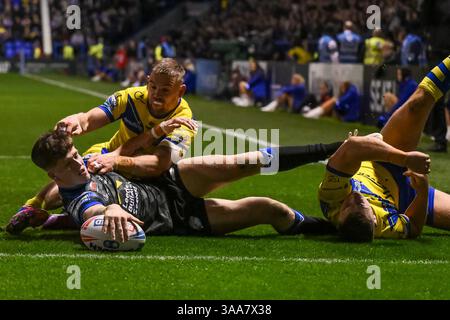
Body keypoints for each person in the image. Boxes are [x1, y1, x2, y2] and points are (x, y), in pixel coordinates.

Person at [18, 130, 343, 239]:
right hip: (177, 219)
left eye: (75, 154)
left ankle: (334, 148)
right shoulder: (81, 203)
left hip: (167, 183)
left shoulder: (83, 168)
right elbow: (90, 211)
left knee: (247, 161)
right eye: (68, 164)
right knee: (269, 209)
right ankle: (336, 228)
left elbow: (55, 194)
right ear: (55, 174)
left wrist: (38, 210)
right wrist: (111, 207)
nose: (78, 162)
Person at [7, 58, 198, 234]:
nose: (156, 94)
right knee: (69, 183)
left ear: (180, 91)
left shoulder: (183, 119)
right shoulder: (130, 97)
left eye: (165, 90)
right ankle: (34, 205)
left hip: (142, 171)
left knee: (101, 203)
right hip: (110, 154)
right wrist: (77, 121)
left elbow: (160, 164)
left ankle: (58, 219)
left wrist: (117, 161)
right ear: (147, 80)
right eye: (153, 86)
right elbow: (90, 119)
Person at [318, 55, 450, 242]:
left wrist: (404, 159)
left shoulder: (332, 199)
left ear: (339, 218)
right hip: (406, 196)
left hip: (378, 161)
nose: (354, 198)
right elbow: (412, 227)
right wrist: (421, 192)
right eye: (361, 205)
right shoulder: (383, 227)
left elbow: (353, 146)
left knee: (417, 104)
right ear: (373, 219)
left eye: (347, 206)